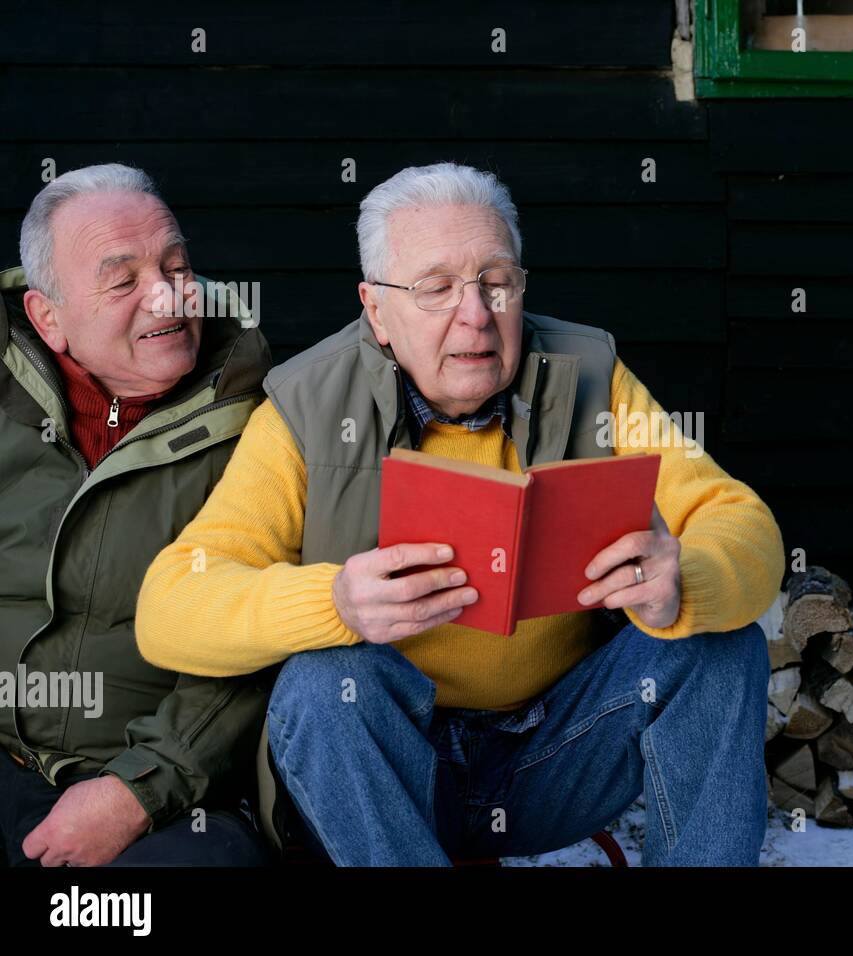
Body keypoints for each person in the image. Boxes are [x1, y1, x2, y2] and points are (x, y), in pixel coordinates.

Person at [136, 162, 784, 866]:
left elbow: (738, 520)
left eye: (495, 282)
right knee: (325, 684)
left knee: (720, 641)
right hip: (384, 774)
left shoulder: (591, 377)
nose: (475, 314)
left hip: (556, 753)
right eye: (435, 288)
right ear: (376, 311)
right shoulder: (307, 408)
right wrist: (335, 601)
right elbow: (169, 607)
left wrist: (685, 576)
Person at [0, 163, 273, 866]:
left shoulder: (264, 423)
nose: (167, 296)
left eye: (176, 266)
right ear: (47, 317)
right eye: (122, 281)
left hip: (168, 786)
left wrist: (138, 790)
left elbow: (259, 651)